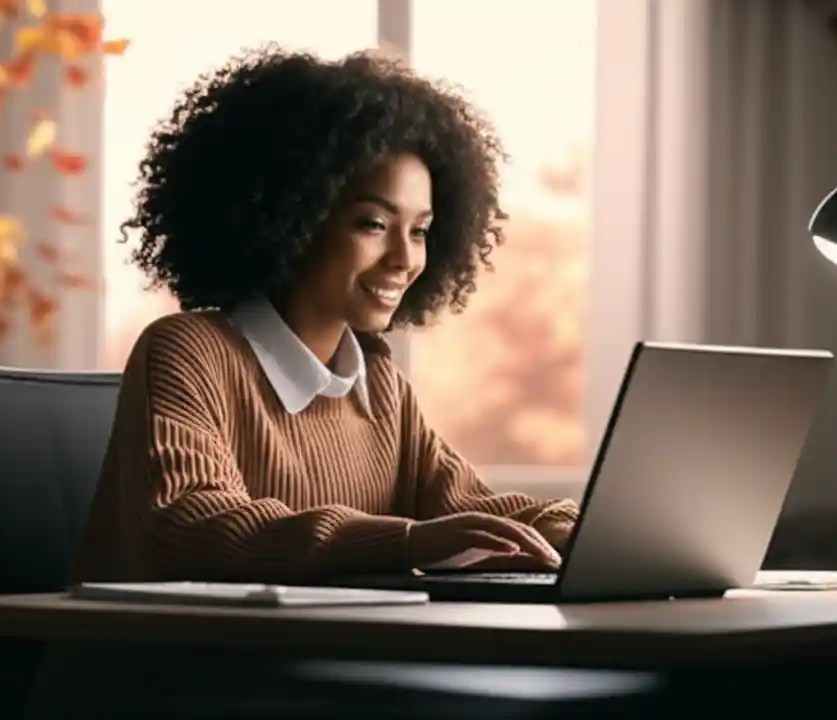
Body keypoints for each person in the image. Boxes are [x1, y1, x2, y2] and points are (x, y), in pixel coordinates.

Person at [73, 45, 579, 585]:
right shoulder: (187, 352)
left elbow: (471, 507)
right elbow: (188, 523)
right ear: (292, 215)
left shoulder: (378, 383)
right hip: (172, 664)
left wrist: (577, 529)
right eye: (373, 224)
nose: (406, 260)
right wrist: (404, 539)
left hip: (316, 657)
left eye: (420, 231)